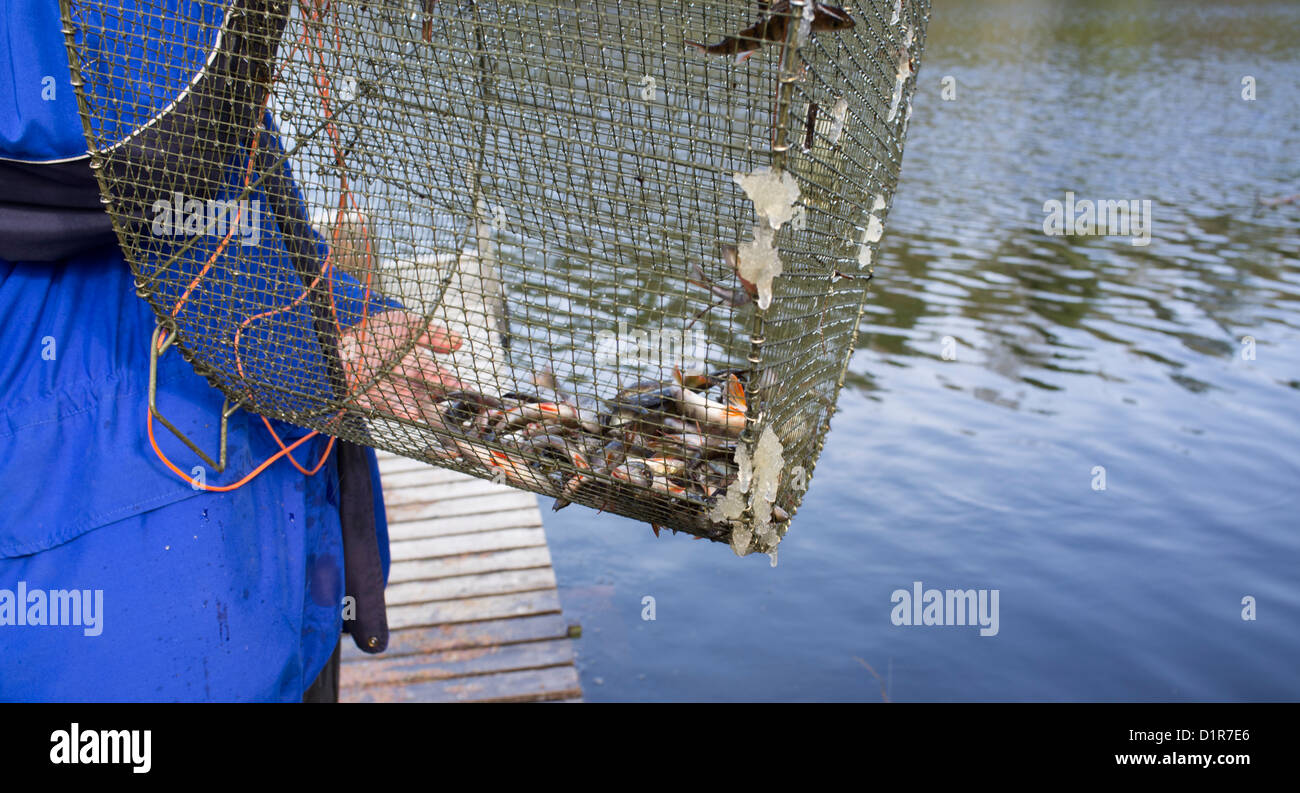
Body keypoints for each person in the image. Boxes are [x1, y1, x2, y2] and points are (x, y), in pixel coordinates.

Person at [0, 0, 458, 701]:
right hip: (116, 625)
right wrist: (305, 356)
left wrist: (339, 315)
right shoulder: (104, 69)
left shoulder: (207, 67)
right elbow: (126, 155)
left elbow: (223, 222)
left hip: (276, 574)